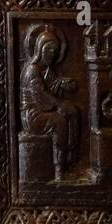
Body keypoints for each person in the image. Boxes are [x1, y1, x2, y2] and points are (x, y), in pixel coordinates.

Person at [19, 24, 79, 182]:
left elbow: (51, 89)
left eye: (55, 50)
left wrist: (62, 84)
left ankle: (70, 160)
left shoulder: (47, 70)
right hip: (32, 115)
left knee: (73, 112)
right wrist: (59, 105)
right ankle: (59, 170)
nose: (52, 54)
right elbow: (41, 95)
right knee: (60, 121)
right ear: (39, 49)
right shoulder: (31, 70)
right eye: (49, 49)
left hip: (43, 111)